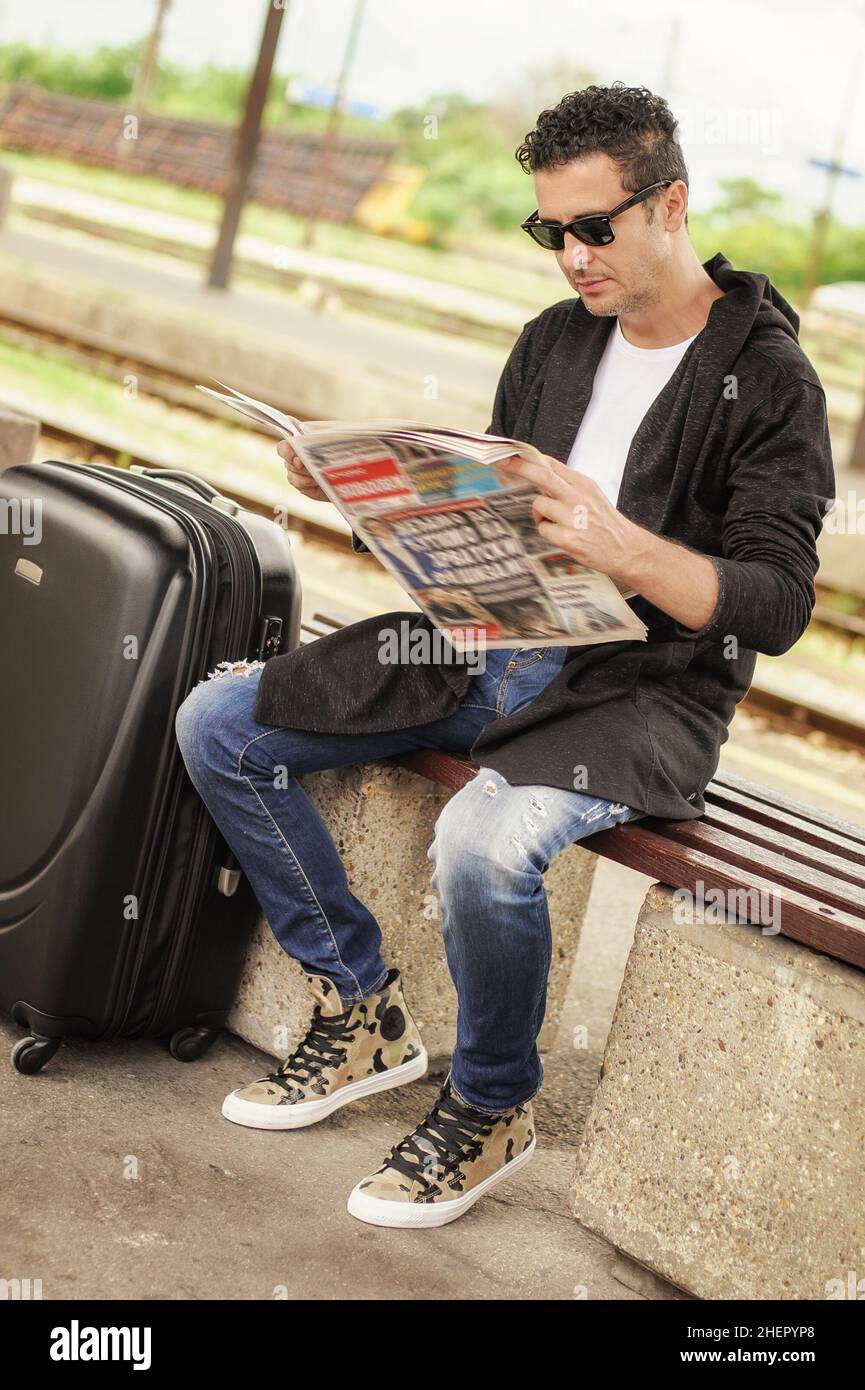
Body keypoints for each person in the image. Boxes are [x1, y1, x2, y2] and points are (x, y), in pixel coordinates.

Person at [174, 83, 834, 1230]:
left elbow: (774, 604)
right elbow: (491, 525)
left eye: (594, 228)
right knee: (218, 725)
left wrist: (623, 545)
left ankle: (490, 1104)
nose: (571, 257)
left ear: (669, 204)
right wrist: (372, 489)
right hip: (488, 641)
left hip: (641, 695)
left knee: (483, 841)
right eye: (550, 232)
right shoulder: (554, 339)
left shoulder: (768, 379)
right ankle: (361, 1007)